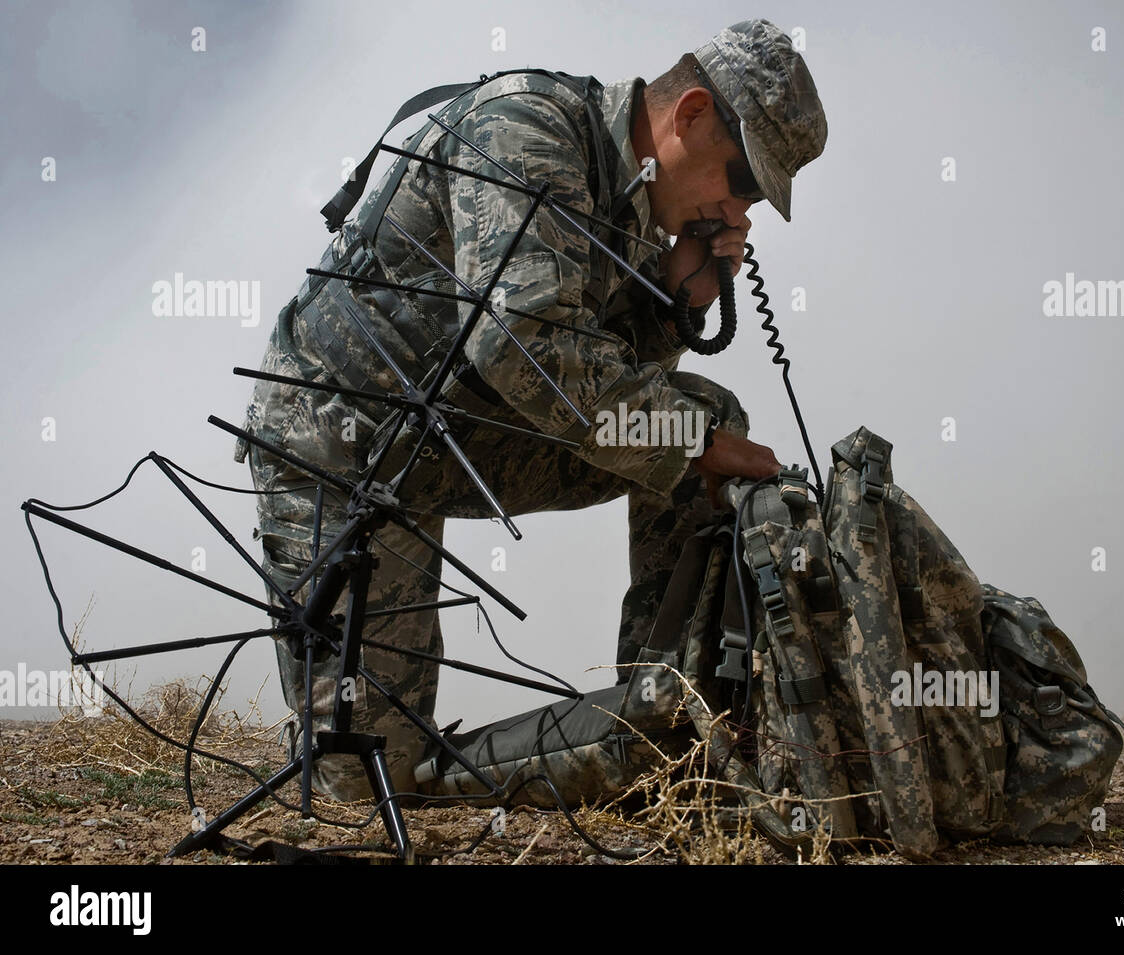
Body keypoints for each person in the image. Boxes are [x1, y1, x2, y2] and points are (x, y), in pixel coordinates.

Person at [232, 18, 828, 800]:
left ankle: (669, 722)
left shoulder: (643, 204)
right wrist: (693, 441)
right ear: (689, 116)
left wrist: (682, 293)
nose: (738, 206)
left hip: (452, 431)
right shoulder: (528, 128)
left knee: (699, 416)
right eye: (743, 179)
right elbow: (522, 348)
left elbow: (611, 392)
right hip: (338, 450)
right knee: (367, 783)